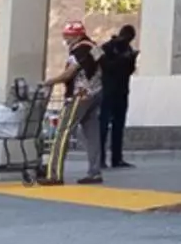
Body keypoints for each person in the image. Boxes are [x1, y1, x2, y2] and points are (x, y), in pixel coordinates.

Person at [49, 22, 103, 185]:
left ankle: (54, 174)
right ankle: (95, 173)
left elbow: (69, 73)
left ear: (78, 35)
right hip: (96, 94)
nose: (66, 39)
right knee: (92, 134)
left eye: (69, 36)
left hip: (79, 95)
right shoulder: (95, 47)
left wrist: (49, 82)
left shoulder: (80, 50)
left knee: (63, 131)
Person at [94, 21, 140, 174]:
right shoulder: (108, 47)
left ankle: (117, 158)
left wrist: (131, 59)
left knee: (119, 126)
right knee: (103, 125)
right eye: (127, 37)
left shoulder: (127, 48)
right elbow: (106, 67)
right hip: (108, 92)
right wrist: (122, 58)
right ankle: (100, 158)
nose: (128, 41)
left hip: (122, 91)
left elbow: (129, 71)